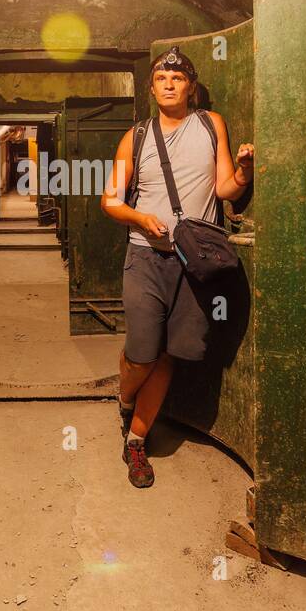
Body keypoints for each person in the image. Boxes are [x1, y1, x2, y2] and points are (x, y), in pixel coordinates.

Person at [99, 46, 254, 488]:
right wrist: (139, 217)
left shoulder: (210, 124)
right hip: (146, 256)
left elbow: (224, 188)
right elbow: (110, 199)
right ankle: (125, 397)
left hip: (195, 259)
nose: (169, 84)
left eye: (178, 78)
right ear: (151, 88)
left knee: (169, 353)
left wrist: (243, 171)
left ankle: (135, 441)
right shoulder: (137, 136)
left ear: (190, 86)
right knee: (143, 349)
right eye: (162, 79)